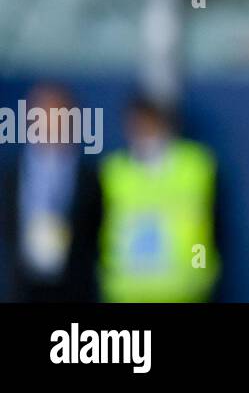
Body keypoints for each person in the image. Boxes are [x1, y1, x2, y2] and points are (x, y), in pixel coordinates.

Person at [98, 96, 222, 302]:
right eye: (137, 125)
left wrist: (200, 271)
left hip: (184, 289)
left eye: (150, 124)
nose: (144, 132)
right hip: (125, 291)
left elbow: (208, 226)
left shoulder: (195, 166)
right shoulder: (113, 170)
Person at [0, 83, 102, 302]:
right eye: (45, 113)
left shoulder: (90, 175)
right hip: (24, 285)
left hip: (74, 287)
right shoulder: (12, 172)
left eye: (59, 114)